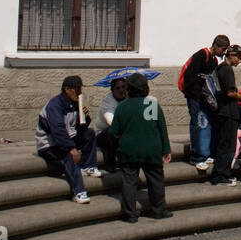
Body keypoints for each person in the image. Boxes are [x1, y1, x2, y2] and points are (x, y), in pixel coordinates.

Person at [109, 74, 172, 222]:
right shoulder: (152, 104)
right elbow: (162, 128)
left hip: (129, 150)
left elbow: (113, 132)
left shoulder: (122, 107)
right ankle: (159, 210)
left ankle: (130, 214)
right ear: (146, 89)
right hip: (152, 149)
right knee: (156, 180)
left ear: (128, 89)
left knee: (129, 182)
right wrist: (166, 149)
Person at [36, 75, 101, 204]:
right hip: (49, 144)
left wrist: (85, 118)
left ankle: (88, 166)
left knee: (90, 134)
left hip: (67, 139)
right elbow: (58, 131)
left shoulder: (75, 103)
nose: (79, 93)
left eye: (80, 89)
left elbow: (79, 129)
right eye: (77, 90)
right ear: (67, 89)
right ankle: (79, 191)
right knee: (69, 156)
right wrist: (71, 148)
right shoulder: (55, 106)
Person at [181, 35, 226, 172]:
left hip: (205, 98)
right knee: (199, 124)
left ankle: (205, 153)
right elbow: (189, 78)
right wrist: (197, 94)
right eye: (223, 49)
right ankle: (197, 157)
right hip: (196, 98)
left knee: (207, 125)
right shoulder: (201, 56)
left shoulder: (213, 60)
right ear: (216, 46)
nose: (223, 53)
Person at [210, 44, 241, 185]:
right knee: (228, 145)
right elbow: (230, 93)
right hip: (229, 112)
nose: (240, 61)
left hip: (221, 111)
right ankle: (221, 175)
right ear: (231, 55)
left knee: (223, 143)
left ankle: (219, 173)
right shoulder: (227, 70)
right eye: (239, 57)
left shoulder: (219, 68)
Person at [94, 77, 128, 171]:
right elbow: (111, 122)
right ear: (112, 91)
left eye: (123, 87)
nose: (121, 90)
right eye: (117, 88)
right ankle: (109, 163)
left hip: (122, 132)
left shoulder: (128, 99)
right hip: (103, 134)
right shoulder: (107, 101)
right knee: (112, 131)